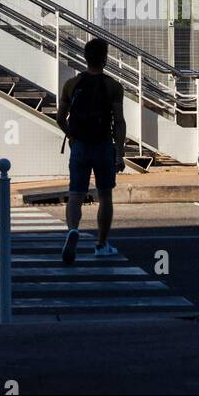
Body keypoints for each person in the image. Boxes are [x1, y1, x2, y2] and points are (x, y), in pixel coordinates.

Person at [56, 37, 126, 264]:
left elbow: (60, 118)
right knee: (105, 195)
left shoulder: (72, 84)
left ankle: (72, 231)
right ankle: (102, 244)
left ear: (85, 58)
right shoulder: (113, 86)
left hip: (80, 146)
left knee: (75, 193)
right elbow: (120, 122)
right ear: (105, 59)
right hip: (103, 145)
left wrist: (73, 137)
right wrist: (120, 152)